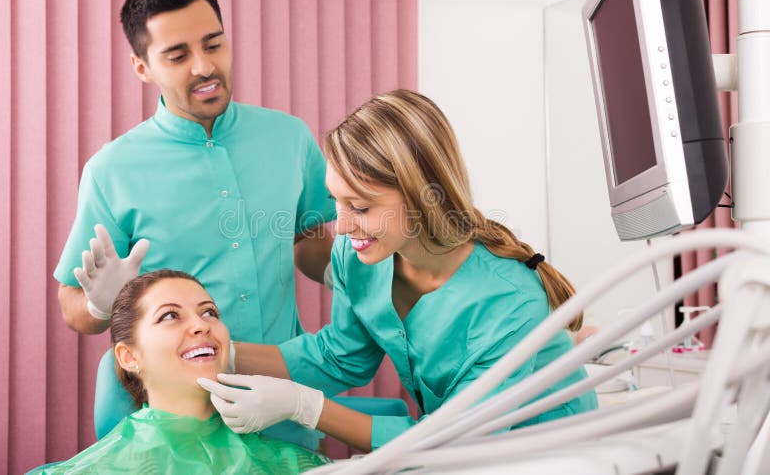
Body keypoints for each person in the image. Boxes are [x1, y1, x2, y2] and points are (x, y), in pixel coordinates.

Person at [198, 89, 599, 451]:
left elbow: (454, 440)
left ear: (422, 196)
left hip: (554, 454)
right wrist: (219, 355)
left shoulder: (509, 302)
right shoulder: (358, 259)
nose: (341, 226)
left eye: (360, 207)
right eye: (336, 200)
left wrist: (306, 408)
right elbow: (339, 358)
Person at [53, 0, 335, 347]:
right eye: (178, 56)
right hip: (180, 395)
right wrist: (100, 306)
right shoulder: (110, 172)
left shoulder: (290, 137)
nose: (203, 66)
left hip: (284, 379)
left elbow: (307, 237)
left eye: (213, 45)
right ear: (142, 67)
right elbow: (72, 306)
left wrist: (358, 275)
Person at [29, 270, 329, 474]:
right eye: (170, 315)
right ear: (129, 356)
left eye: (209, 312)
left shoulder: (293, 464)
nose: (201, 325)